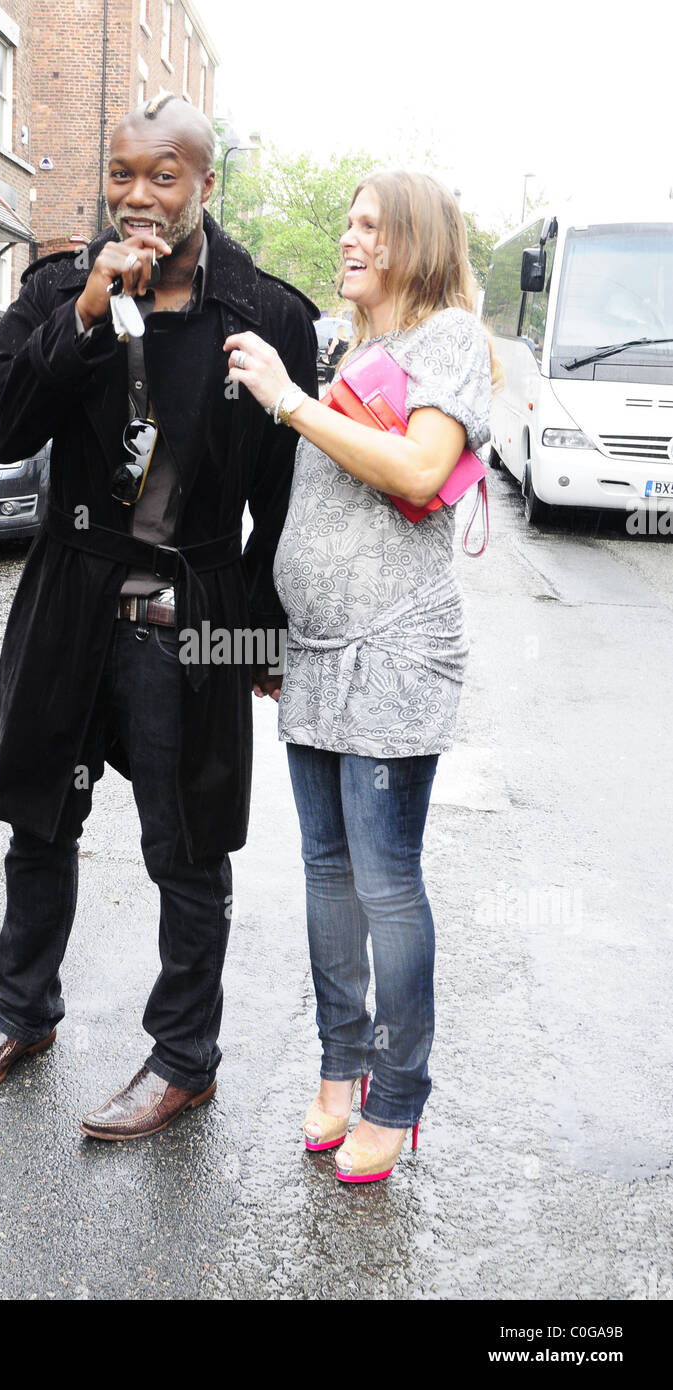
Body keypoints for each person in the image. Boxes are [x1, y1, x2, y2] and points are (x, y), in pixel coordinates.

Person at [0, 95, 318, 1140]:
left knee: (188, 844)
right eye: (121, 176)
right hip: (69, 595)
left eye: (163, 176)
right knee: (38, 819)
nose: (138, 196)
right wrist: (85, 317)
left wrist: (258, 632)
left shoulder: (269, 316)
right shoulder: (63, 285)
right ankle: (24, 1013)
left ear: (205, 183)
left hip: (190, 609)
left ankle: (184, 1057)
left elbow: (284, 501)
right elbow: (3, 425)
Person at [225, 169, 498, 1182]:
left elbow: (420, 472)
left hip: (393, 653)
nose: (348, 239)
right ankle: (338, 1072)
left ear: (413, 243)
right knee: (324, 873)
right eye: (343, 223)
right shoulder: (353, 349)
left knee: (385, 881)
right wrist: (274, 633)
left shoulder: (447, 342)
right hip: (316, 655)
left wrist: (291, 402)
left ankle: (396, 1093)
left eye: (368, 227)